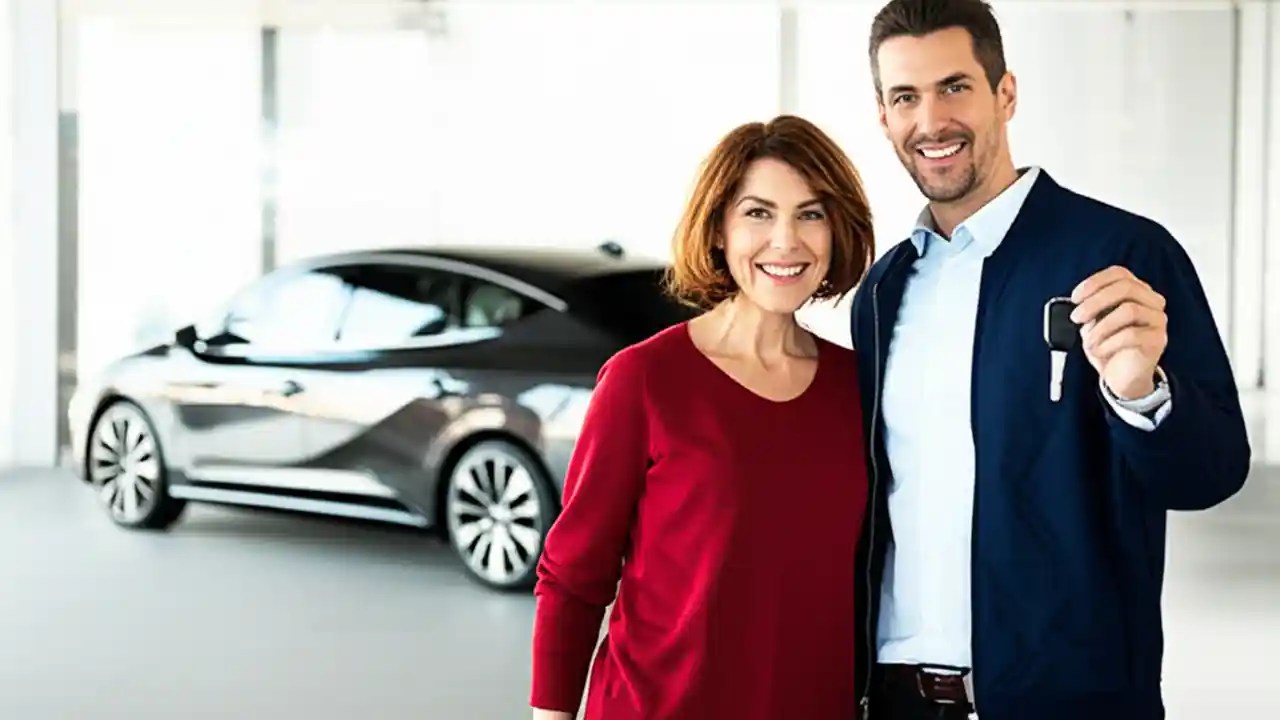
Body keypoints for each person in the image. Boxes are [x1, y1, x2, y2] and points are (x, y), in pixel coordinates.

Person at [849, 1, 1251, 718]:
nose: (931, 119)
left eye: (955, 87)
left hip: (1072, 700)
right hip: (899, 698)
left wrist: (1142, 395)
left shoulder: (1124, 257)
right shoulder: (885, 288)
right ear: (883, 117)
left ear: (1005, 94)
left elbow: (1211, 474)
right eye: (905, 97)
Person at [529, 115, 876, 720]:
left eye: (811, 213)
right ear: (719, 228)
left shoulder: (859, 386)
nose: (786, 241)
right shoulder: (646, 380)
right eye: (759, 213)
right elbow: (573, 578)